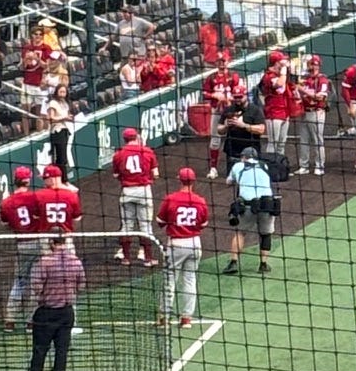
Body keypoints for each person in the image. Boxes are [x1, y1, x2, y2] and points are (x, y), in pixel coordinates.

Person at [19, 233, 85, 371]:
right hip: (66, 312)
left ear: (51, 242)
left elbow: (36, 287)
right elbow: (81, 285)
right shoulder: (75, 261)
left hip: (46, 312)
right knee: (61, 351)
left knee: (40, 350)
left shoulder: (44, 262)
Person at [156, 168, 211, 326]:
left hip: (176, 243)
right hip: (194, 243)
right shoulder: (200, 200)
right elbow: (204, 223)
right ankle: (187, 318)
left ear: (179, 180)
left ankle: (164, 318)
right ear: (193, 181)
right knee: (190, 280)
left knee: (169, 280)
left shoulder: (171, 199)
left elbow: (160, 221)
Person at [0, 165, 45, 329]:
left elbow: (5, 224)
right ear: (28, 180)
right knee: (36, 283)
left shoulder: (6, 202)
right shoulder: (35, 198)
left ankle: (9, 321)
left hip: (21, 245)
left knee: (19, 282)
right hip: (38, 243)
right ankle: (31, 322)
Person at [224, 144, 279, 275]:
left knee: (240, 233)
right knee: (266, 235)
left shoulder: (238, 166)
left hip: (248, 206)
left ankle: (233, 262)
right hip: (267, 205)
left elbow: (228, 182)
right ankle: (263, 264)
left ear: (244, 157)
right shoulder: (264, 165)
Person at [112, 125, 161, 268]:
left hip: (127, 191)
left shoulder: (119, 154)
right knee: (145, 226)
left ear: (124, 139)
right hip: (144, 191)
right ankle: (148, 259)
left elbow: (115, 175)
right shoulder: (147, 151)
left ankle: (126, 258)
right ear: (136, 137)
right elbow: (156, 174)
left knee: (127, 226)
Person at [201, 52, 247, 178]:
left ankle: (238, 167)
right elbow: (204, 94)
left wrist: (229, 98)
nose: (221, 63)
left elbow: (241, 92)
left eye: (224, 61)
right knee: (215, 140)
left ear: (228, 61)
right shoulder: (211, 77)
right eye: (219, 61)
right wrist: (214, 95)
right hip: (217, 110)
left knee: (236, 137)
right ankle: (213, 168)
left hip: (232, 110)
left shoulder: (234, 76)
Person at [296, 55, 331, 176]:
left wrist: (302, 89)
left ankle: (319, 165)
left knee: (317, 140)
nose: (314, 67)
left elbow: (320, 97)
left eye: (316, 65)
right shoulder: (304, 79)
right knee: (304, 140)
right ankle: (304, 165)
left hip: (317, 112)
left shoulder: (322, 80)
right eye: (312, 64)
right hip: (304, 112)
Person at [257, 49, 294, 156]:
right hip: (273, 114)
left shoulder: (279, 74)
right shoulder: (268, 76)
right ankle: (271, 167)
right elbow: (279, 83)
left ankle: (280, 168)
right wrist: (283, 72)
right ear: (276, 63)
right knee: (273, 143)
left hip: (284, 112)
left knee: (281, 144)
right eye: (281, 61)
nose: (284, 63)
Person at [34, 163, 82, 238]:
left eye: (44, 178)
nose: (44, 181)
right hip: (66, 236)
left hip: (46, 237)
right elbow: (77, 219)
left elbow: (35, 217)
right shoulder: (72, 195)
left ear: (51, 179)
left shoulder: (38, 195)